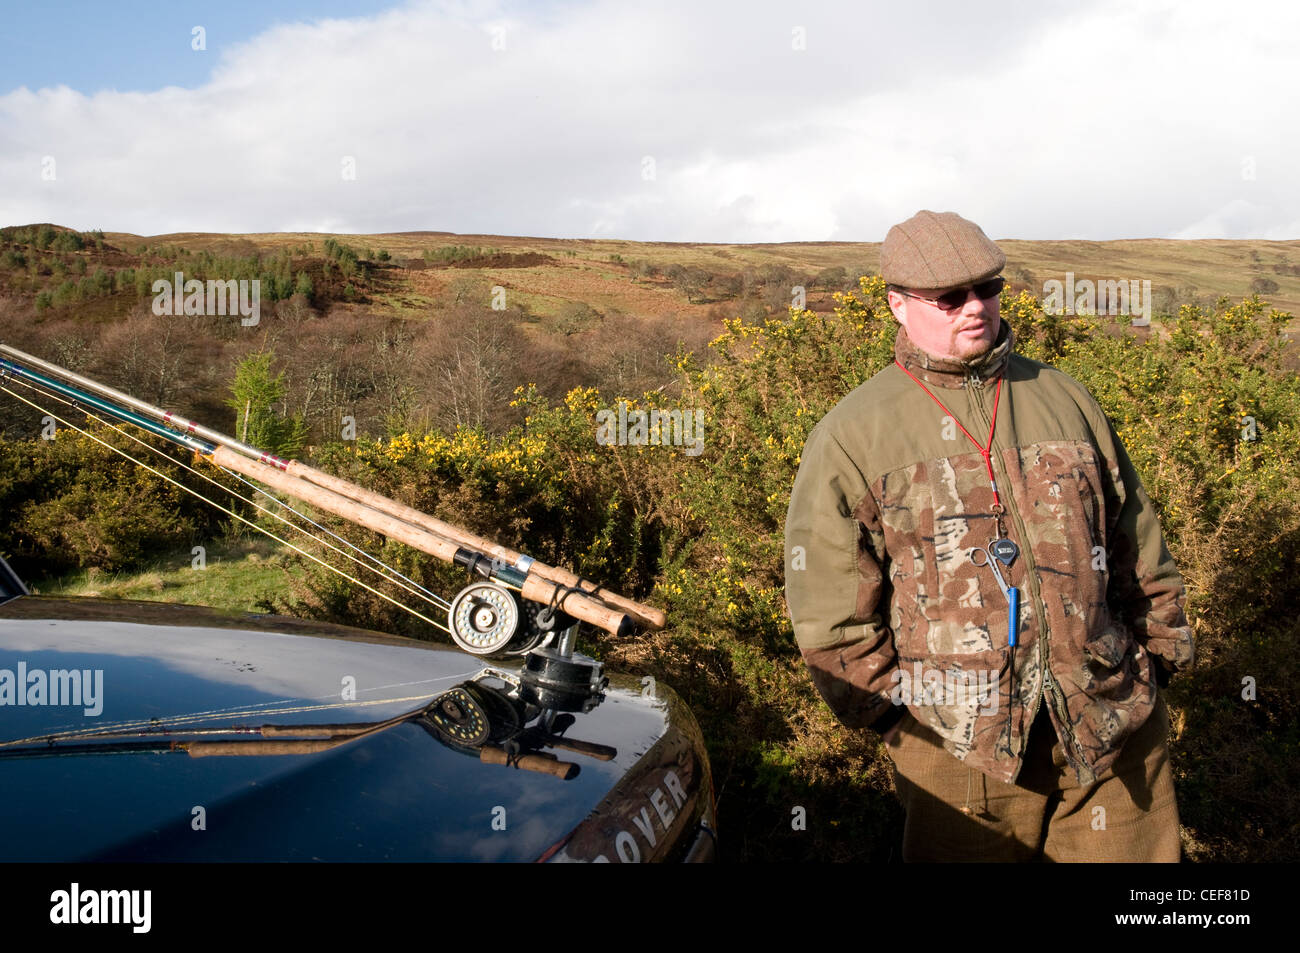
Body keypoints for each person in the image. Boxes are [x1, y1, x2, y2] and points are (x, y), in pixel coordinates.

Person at [783, 210, 1194, 862]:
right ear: (898, 304)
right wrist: (896, 718)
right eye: (950, 296)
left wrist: (1158, 655)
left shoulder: (1064, 397)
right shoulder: (852, 433)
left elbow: (1135, 538)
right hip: (956, 751)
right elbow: (829, 604)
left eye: (988, 287)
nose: (974, 306)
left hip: (1114, 724)